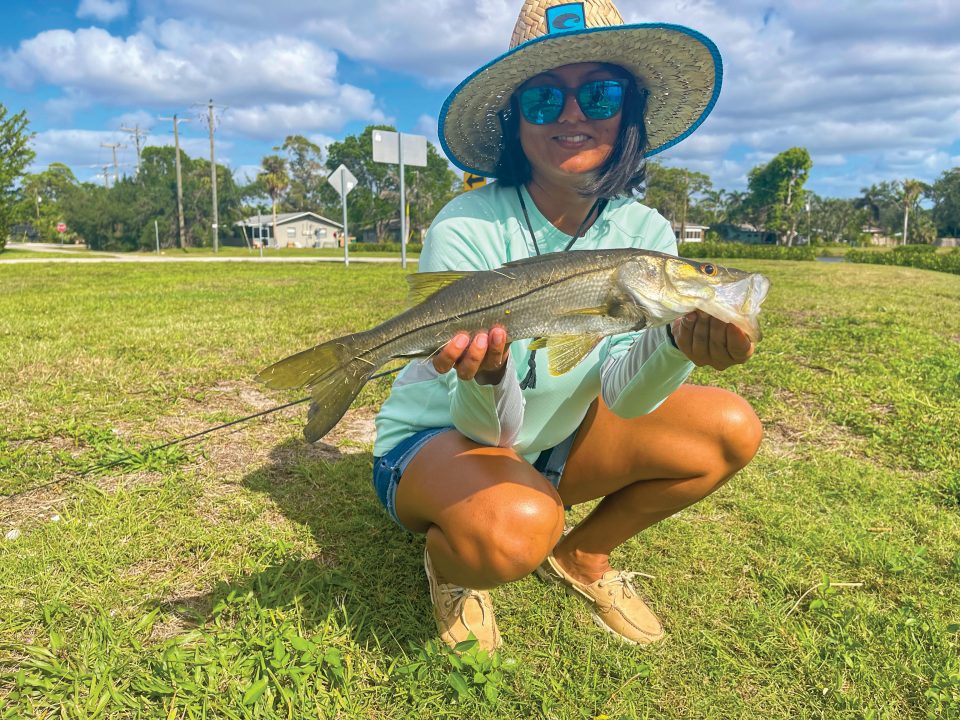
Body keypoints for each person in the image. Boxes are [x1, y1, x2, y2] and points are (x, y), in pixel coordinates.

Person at [371, 0, 762, 652]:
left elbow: (625, 399)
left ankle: (583, 557)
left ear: (629, 110)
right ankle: (453, 566)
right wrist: (488, 370)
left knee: (730, 429)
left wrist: (671, 343)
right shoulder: (466, 225)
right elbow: (478, 427)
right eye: (545, 99)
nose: (574, 114)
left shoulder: (648, 235)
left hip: (554, 443)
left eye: (600, 92)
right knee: (519, 524)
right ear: (516, 120)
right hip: (441, 440)